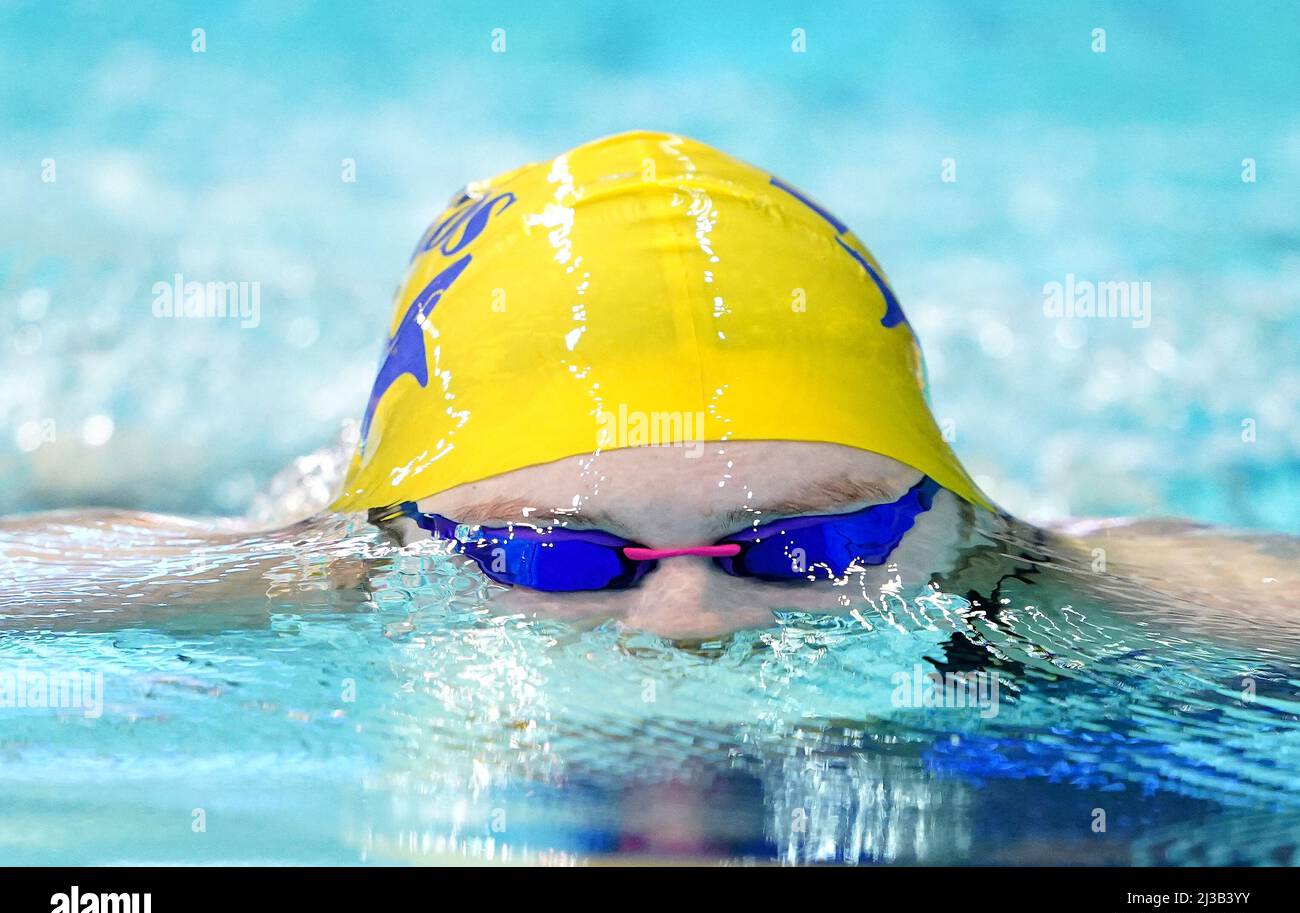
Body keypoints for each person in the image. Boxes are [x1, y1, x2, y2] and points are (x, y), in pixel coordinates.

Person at [341, 130, 1299, 642]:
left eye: (811, 550)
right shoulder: (337, 569)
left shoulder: (1042, 575)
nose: (691, 624)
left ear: (960, 517)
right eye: (551, 558)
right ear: (392, 533)